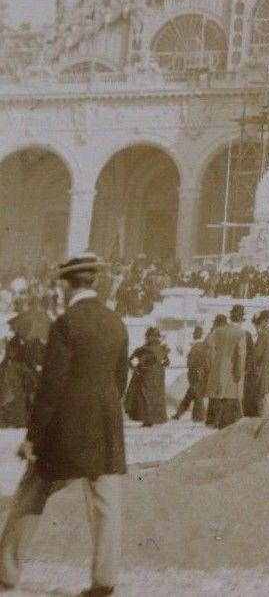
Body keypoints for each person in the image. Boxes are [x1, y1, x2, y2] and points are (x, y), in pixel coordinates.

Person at [0, 254, 127, 596]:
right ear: (94, 283)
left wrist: (33, 437)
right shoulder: (116, 321)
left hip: (65, 426)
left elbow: (51, 385)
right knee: (106, 502)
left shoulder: (66, 323)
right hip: (104, 425)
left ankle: (6, 572)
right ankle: (104, 581)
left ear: (67, 285)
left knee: (31, 494)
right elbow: (120, 379)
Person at [205, 312, 247, 429]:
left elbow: (209, 348)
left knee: (218, 395)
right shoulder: (240, 333)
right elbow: (240, 354)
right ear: (240, 320)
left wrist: (212, 365)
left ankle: (214, 421)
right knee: (230, 396)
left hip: (218, 367)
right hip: (232, 368)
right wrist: (239, 372)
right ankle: (225, 424)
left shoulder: (217, 332)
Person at [125, 327, 169, 428]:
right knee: (152, 397)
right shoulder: (160, 349)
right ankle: (150, 420)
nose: (154, 338)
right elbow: (167, 363)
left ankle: (148, 420)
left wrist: (135, 368)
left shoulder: (144, 349)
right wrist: (159, 367)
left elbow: (129, 361)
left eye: (155, 336)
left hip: (148, 375)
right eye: (153, 336)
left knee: (146, 397)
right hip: (155, 376)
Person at [174, 325, 210, 422]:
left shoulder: (196, 347)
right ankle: (181, 415)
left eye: (195, 333)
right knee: (191, 395)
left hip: (196, 374)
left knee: (194, 395)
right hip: (198, 374)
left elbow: (192, 362)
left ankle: (198, 416)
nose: (195, 335)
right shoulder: (201, 346)